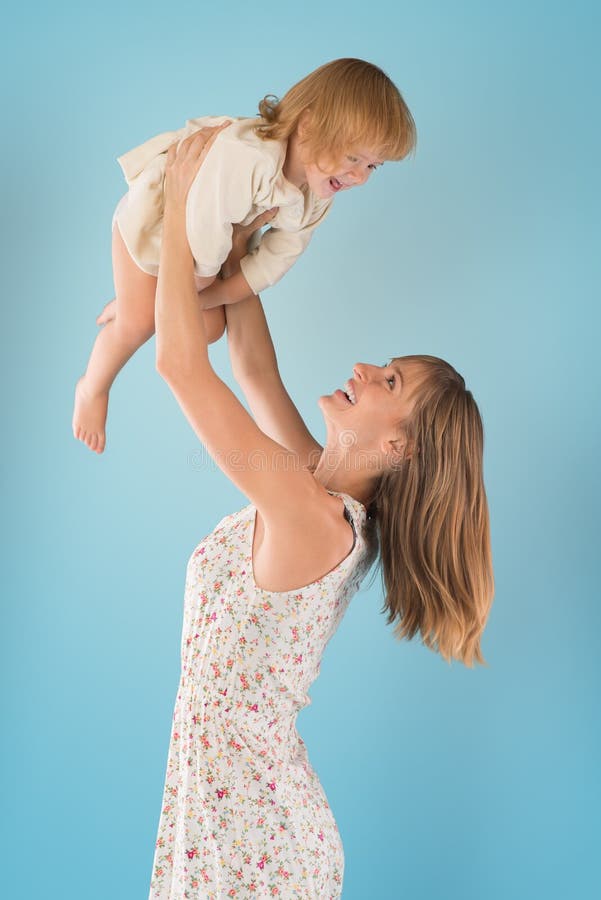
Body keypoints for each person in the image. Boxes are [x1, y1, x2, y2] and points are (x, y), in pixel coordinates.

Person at [145, 128, 494, 899]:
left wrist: (176, 206)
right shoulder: (312, 486)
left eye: (390, 382)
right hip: (232, 816)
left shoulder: (307, 514)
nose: (365, 369)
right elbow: (252, 366)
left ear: (400, 447)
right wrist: (233, 227)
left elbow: (179, 363)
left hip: (255, 838)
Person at [72, 58, 416, 454]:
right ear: (308, 125)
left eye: (373, 165)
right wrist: (183, 297)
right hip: (154, 225)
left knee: (212, 329)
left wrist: (209, 297)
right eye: (354, 158)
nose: (360, 176)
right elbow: (199, 235)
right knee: (136, 322)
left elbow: (273, 262)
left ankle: (142, 299)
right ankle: (92, 387)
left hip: (202, 254)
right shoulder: (247, 157)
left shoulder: (318, 195)